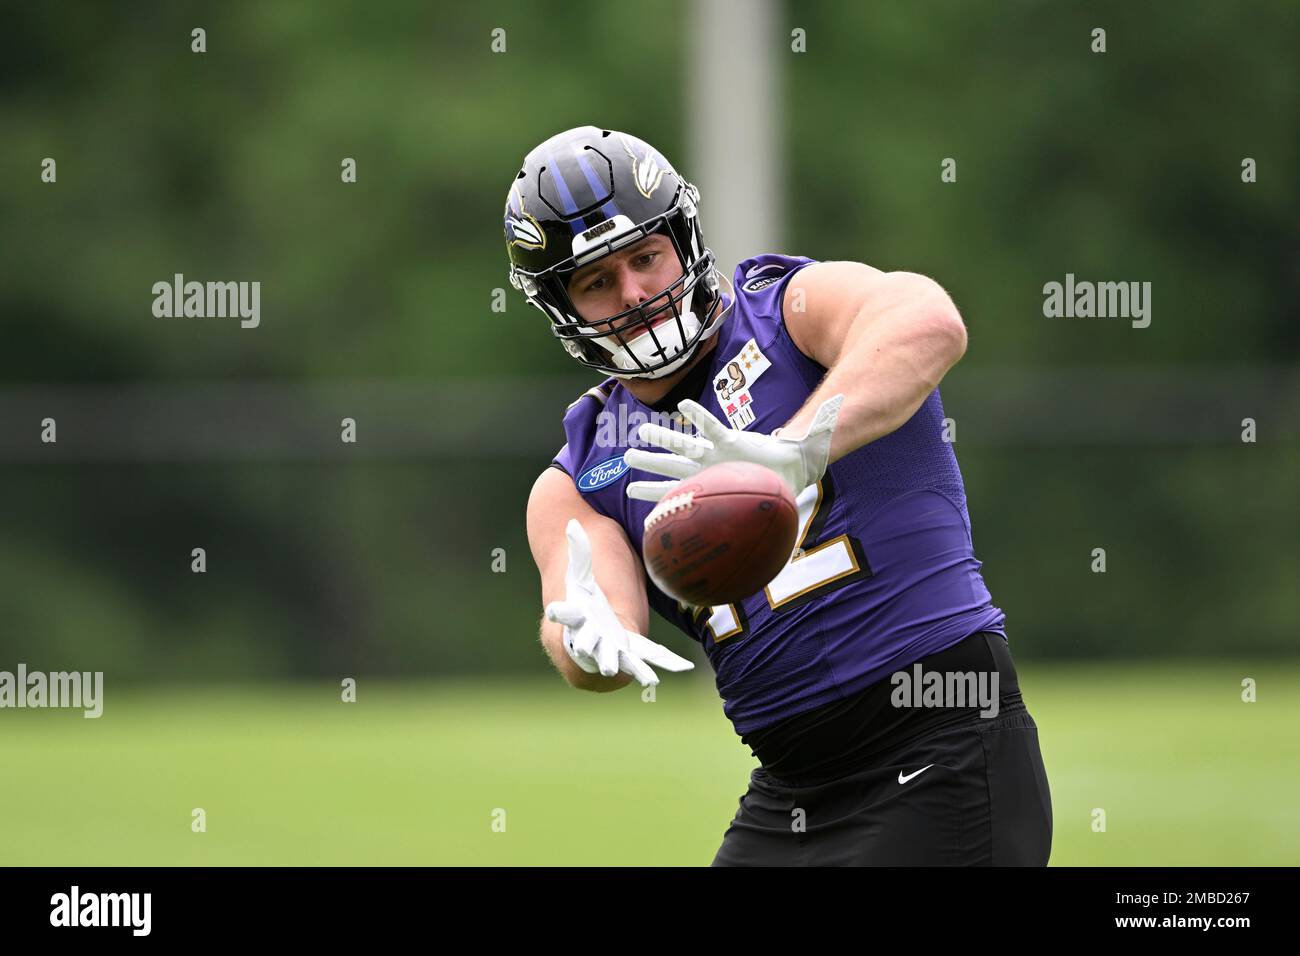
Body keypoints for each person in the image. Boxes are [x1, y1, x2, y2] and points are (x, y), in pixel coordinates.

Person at [508, 125, 1052, 865]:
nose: (633, 291)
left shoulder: (788, 311)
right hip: (790, 787)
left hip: (941, 734)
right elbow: (589, 613)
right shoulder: (583, 469)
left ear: (683, 239)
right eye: (597, 281)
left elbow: (927, 320)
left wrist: (801, 448)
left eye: (644, 257)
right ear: (560, 305)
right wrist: (584, 642)